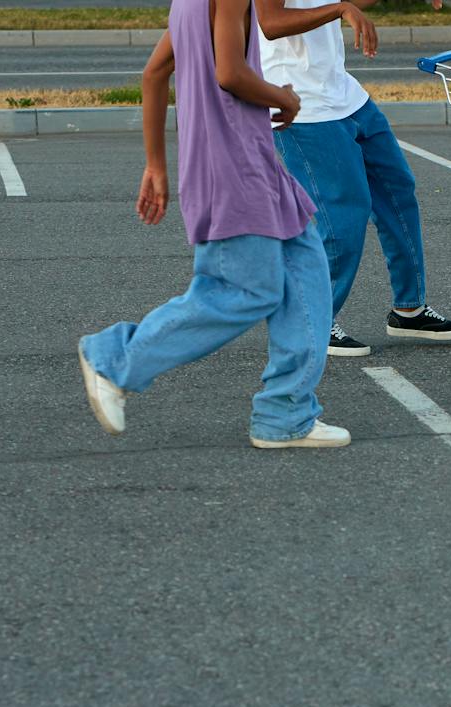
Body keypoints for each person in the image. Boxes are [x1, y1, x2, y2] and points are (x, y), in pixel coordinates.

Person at [76, 0, 351, 449]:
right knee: (240, 291)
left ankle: (286, 414)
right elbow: (230, 74)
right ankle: (115, 360)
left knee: (306, 269)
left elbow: (154, 74)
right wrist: (283, 97)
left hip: (254, 163)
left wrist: (155, 165)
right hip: (233, 166)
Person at [256, 0, 451, 357]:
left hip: (343, 95)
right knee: (344, 214)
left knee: (397, 190)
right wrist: (342, 10)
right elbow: (271, 22)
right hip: (298, 104)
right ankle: (311, 321)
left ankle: (409, 309)